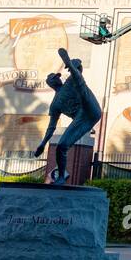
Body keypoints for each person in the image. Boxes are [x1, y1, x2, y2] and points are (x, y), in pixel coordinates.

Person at [32, 49, 102, 185]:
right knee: (61, 146)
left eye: (57, 77)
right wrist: (42, 144)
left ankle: (68, 63)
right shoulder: (54, 105)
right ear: (50, 84)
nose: (56, 79)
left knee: (80, 85)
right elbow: (51, 127)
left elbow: (79, 70)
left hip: (90, 108)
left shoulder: (69, 82)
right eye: (53, 79)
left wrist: (74, 64)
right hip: (82, 119)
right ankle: (61, 177)